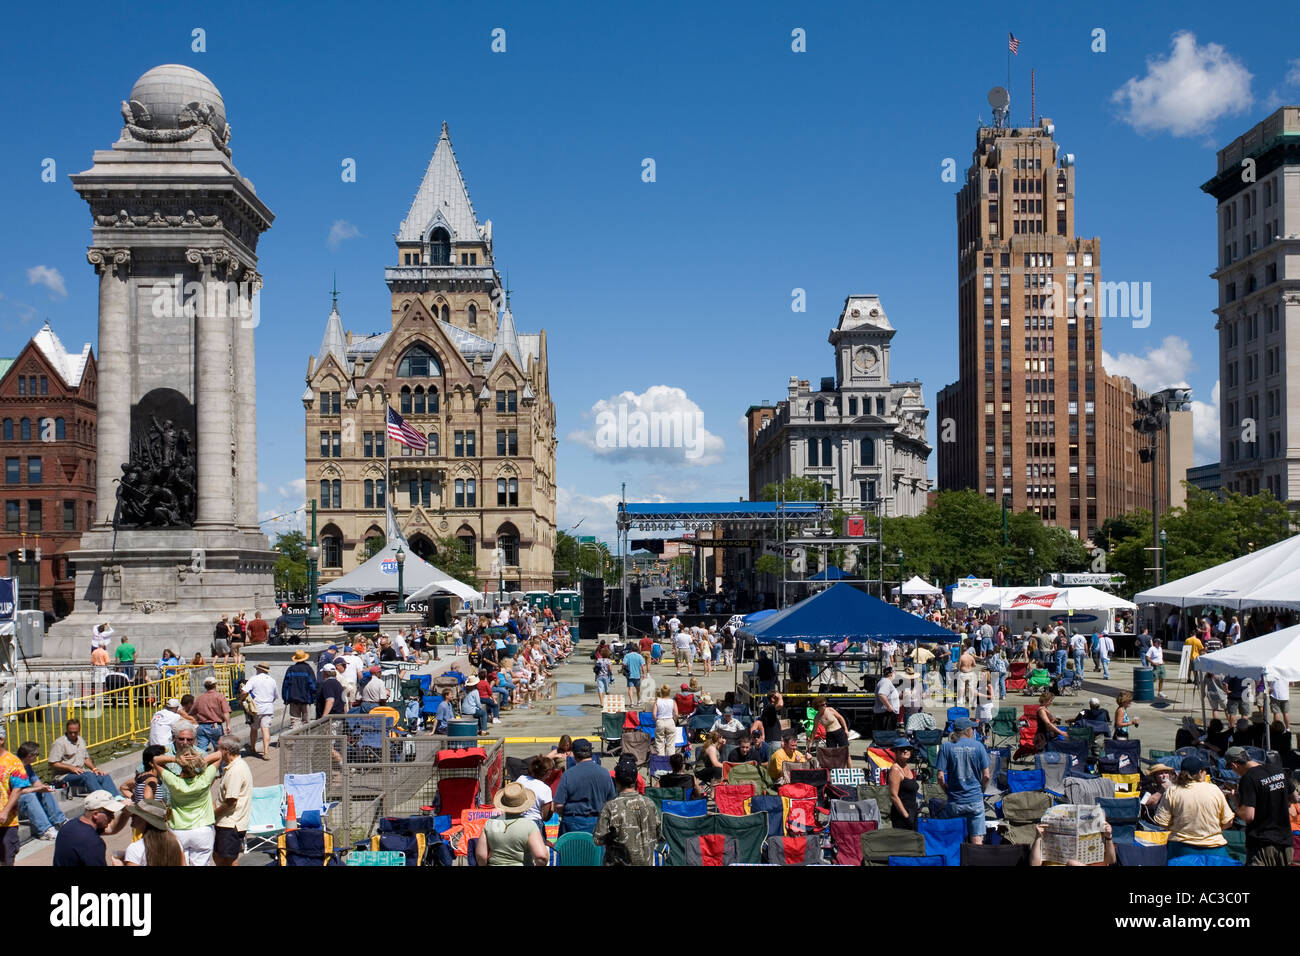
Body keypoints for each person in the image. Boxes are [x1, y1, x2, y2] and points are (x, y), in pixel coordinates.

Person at [152, 726, 221, 866]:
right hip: (202, 829)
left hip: (179, 829)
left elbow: (156, 761)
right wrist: (199, 758)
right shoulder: (204, 780)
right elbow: (219, 755)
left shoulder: (174, 782)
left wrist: (176, 759)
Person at [1151, 755, 1235, 860]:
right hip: (1214, 849)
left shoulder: (1172, 791)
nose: (1206, 773)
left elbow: (1161, 822)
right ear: (1200, 773)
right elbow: (1228, 822)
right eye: (1205, 770)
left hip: (1182, 849)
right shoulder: (1214, 790)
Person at [1225, 746, 1291, 866]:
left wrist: (1236, 801)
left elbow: (1248, 816)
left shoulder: (1248, 778)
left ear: (1235, 765)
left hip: (1262, 844)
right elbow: (1294, 797)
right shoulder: (1277, 770)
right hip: (1285, 840)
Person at [593, 758, 660, 865]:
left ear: (616, 781)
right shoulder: (649, 803)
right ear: (635, 780)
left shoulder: (611, 807)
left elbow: (598, 839)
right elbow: (658, 835)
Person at [935, 719, 991, 844]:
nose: (974, 731)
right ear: (968, 731)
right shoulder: (978, 746)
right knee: (976, 838)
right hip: (975, 799)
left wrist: (947, 791)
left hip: (955, 800)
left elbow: (939, 776)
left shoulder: (946, 747)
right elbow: (986, 776)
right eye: (973, 729)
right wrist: (981, 790)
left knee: (955, 838)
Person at [476, 782, 548, 866]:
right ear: (524, 803)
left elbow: (481, 856)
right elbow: (541, 857)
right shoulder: (529, 825)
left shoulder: (490, 823)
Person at [553, 738, 615, 835]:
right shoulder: (605, 773)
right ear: (591, 753)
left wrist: (563, 815)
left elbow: (558, 804)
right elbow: (611, 801)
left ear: (574, 754)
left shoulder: (568, 775)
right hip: (597, 823)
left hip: (572, 824)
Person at [52, 790, 130, 867]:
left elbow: (111, 829)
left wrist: (126, 813)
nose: (112, 817)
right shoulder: (92, 842)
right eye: (109, 813)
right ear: (95, 814)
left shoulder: (70, 825)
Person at [212, 735, 252, 866]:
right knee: (218, 856)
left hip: (230, 823)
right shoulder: (233, 766)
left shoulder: (235, 770)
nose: (216, 751)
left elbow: (231, 801)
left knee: (228, 859)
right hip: (227, 823)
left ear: (226, 750)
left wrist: (214, 814)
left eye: (218, 748)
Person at [47, 719, 119, 794]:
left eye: (75, 732)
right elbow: (53, 763)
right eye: (70, 732)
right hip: (64, 776)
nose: (73, 735)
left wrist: (94, 769)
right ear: (67, 730)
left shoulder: (81, 740)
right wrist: (71, 768)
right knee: (88, 776)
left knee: (103, 776)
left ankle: (117, 797)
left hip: (81, 773)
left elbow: (86, 758)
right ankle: (102, 798)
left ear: (79, 730)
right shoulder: (59, 743)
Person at [13, 742, 66, 840]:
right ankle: (45, 830)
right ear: (30, 756)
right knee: (29, 796)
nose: (37, 757)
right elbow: (17, 792)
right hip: (11, 805)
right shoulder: (13, 767)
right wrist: (37, 788)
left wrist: (44, 788)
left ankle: (60, 821)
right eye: (37, 755)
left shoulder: (27, 765)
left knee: (43, 791)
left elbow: (37, 783)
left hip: (19, 801)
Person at [116, 798, 185, 866]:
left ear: (145, 820)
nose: (131, 816)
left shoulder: (135, 848)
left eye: (135, 814)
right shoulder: (175, 842)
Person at [1029, 822, 1117, 866]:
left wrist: (1108, 837)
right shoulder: (1050, 840)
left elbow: (1111, 860)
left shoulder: (1099, 841)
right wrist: (1038, 837)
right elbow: (1034, 864)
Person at [241, 662, 279, 759]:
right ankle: (266, 752)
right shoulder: (272, 680)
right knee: (265, 729)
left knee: (254, 729)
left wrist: (241, 699)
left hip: (256, 708)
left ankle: (253, 748)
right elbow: (275, 696)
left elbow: (244, 691)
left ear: (259, 669)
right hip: (268, 708)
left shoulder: (254, 679)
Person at [190, 677, 231, 754]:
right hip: (215, 725)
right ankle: (220, 765)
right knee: (219, 749)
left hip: (202, 726)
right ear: (215, 685)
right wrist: (228, 725)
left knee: (200, 750)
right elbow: (226, 712)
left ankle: (198, 764)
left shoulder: (200, 698)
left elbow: (192, 712)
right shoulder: (219, 697)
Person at [515, 756, 555, 829]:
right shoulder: (545, 789)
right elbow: (545, 816)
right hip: (534, 823)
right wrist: (551, 809)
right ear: (548, 773)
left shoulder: (520, 779)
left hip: (517, 821)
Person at [281, 649, 318, 729]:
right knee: (306, 722)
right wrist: (314, 698)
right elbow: (313, 685)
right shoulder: (308, 669)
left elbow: (285, 685)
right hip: (306, 699)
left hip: (293, 700)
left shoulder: (291, 669)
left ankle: (295, 739)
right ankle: (304, 740)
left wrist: (285, 699)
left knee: (295, 721)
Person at [887, 742, 919, 830]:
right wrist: (906, 815)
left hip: (913, 811)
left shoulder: (906, 767)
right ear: (896, 752)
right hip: (902, 815)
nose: (905, 751)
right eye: (902, 749)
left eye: (908, 749)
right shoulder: (895, 769)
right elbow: (893, 795)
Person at [652, 685, 680, 757]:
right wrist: (675, 721)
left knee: (659, 742)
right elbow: (676, 714)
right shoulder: (672, 701)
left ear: (661, 692)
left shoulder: (657, 701)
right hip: (670, 721)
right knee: (670, 743)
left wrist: (657, 721)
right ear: (669, 692)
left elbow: (654, 714)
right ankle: (670, 760)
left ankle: (661, 760)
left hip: (660, 721)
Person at [874, 666, 901, 733]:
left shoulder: (886, 681)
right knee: (887, 735)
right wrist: (888, 706)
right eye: (894, 673)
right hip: (886, 714)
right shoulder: (886, 682)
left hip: (887, 713)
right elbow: (881, 694)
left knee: (888, 734)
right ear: (891, 674)